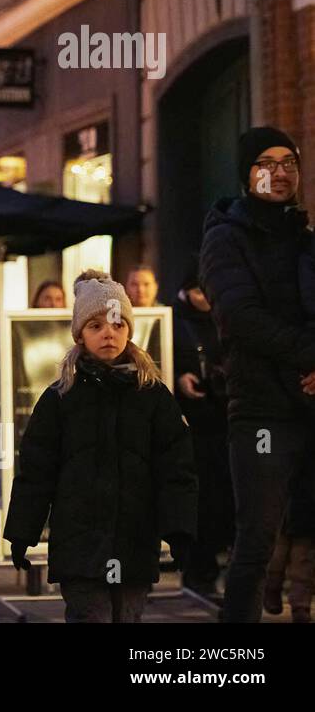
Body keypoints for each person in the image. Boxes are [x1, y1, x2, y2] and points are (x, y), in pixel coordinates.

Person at [4, 271, 197, 622]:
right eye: (96, 326)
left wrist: (179, 530)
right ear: (79, 334)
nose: (109, 333)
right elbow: (36, 471)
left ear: (128, 330)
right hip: (79, 544)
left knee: (128, 617)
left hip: (135, 540)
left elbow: (176, 467)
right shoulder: (60, 398)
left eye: (117, 324)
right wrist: (22, 532)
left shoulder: (152, 395)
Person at [201, 126, 315, 622]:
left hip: (310, 404)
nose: (280, 172)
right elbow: (241, 320)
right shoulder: (225, 238)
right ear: (248, 176)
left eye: (288, 162)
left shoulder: (304, 236)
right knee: (258, 540)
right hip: (264, 412)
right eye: (266, 163)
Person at [170, 256, 232, 599]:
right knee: (201, 499)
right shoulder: (174, 320)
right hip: (191, 425)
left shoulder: (226, 315)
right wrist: (180, 375)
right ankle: (198, 570)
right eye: (199, 291)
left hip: (226, 418)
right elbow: (159, 356)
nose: (205, 298)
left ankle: (216, 568)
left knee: (226, 497)